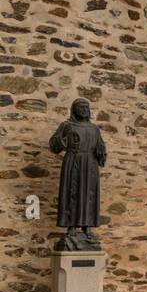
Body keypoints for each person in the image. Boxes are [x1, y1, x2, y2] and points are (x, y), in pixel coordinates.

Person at [49, 98, 107, 251]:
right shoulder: (67, 125)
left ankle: (87, 228)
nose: (84, 110)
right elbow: (54, 145)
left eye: (86, 107)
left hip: (90, 165)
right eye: (81, 107)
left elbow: (100, 146)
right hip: (73, 162)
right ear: (74, 109)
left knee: (89, 196)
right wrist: (63, 141)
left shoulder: (94, 129)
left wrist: (101, 152)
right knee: (72, 194)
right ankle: (71, 228)